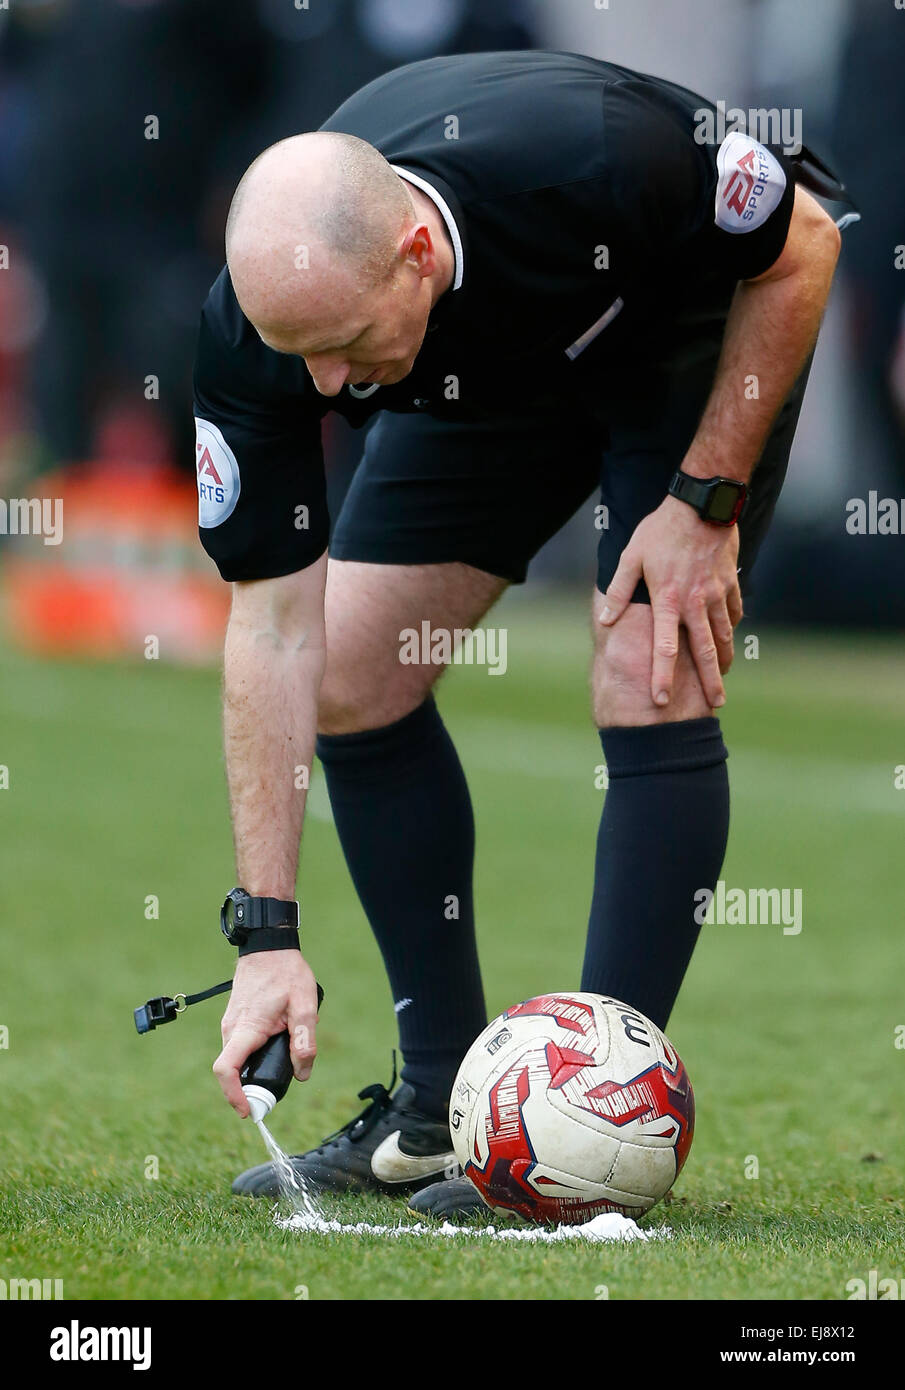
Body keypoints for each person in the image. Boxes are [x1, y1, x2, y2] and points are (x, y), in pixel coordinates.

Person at [193, 51, 845, 1217]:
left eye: (341, 344)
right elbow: (274, 628)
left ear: (416, 252)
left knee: (652, 664)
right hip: (484, 372)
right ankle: (443, 1106)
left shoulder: (590, 153)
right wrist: (265, 935)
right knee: (352, 668)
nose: (331, 388)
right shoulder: (268, 336)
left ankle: (594, 1122)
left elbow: (801, 243)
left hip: (680, 322)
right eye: (302, 360)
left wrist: (705, 502)